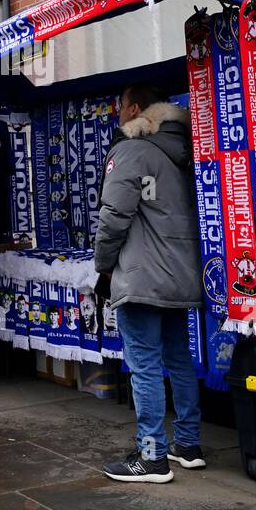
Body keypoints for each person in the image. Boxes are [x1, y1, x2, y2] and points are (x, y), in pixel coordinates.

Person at [94, 84, 203, 484]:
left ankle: (152, 455)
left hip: (142, 275)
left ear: (135, 109)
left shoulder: (131, 150)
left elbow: (113, 216)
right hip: (183, 274)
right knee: (178, 359)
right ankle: (188, 446)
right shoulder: (187, 152)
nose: (117, 113)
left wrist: (103, 265)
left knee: (143, 366)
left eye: (119, 105)